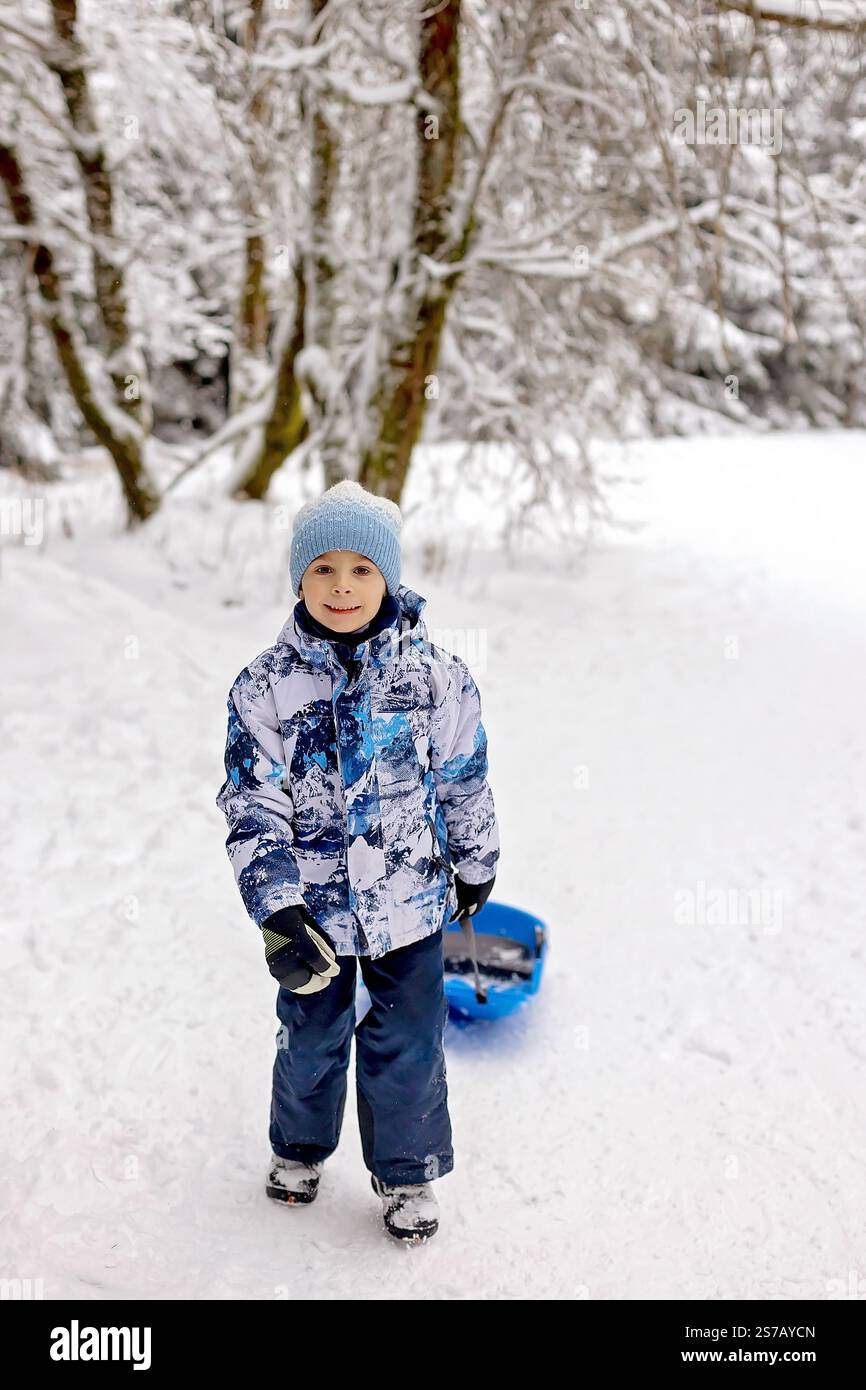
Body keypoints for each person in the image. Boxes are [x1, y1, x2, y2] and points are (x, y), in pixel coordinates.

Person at [215, 479, 499, 1242]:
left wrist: (475, 862)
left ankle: (407, 1174)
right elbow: (253, 802)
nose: (343, 587)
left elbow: (462, 777)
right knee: (309, 1037)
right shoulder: (266, 687)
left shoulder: (437, 678)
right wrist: (278, 907)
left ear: (391, 578)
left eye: (363, 570)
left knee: (407, 1042)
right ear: (299, 580)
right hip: (312, 912)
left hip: (408, 903)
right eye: (324, 570)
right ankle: (300, 1148)